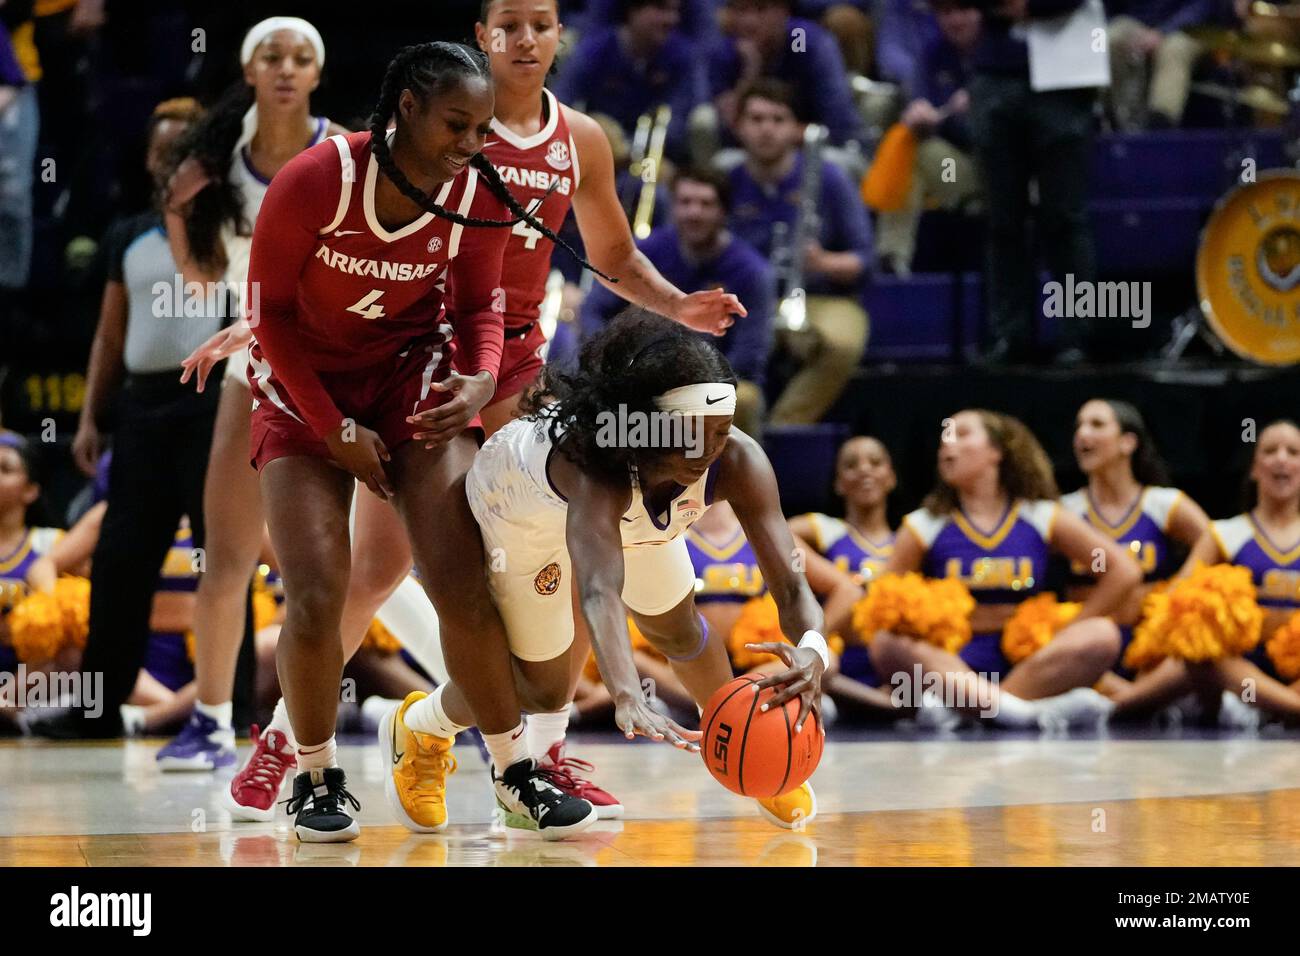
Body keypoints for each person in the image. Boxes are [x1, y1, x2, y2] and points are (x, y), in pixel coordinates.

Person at [235, 40, 601, 842]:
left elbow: (479, 312)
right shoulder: (318, 178)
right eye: (458, 125)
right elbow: (270, 317)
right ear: (407, 108)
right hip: (305, 392)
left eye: (482, 128)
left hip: (412, 381)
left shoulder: (478, 186)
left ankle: (515, 774)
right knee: (318, 591)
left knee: (460, 578)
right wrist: (331, 427)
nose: (474, 142)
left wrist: (478, 378)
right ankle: (316, 777)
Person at [387, 311, 830, 831]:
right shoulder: (598, 462)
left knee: (678, 625)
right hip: (521, 510)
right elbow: (599, 589)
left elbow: (790, 581)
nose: (709, 449)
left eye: (721, 431)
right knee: (538, 689)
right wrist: (624, 689)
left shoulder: (737, 460)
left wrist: (813, 649)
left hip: (621, 516)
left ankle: (742, 746)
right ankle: (420, 727)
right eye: (694, 434)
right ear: (652, 423)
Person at [152, 16, 347, 772]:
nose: (288, 68)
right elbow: (205, 285)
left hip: (343, 363)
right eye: (273, 56)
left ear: (318, 74)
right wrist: (177, 206)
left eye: (302, 57)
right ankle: (209, 720)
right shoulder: (217, 168)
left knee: (374, 559)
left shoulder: (344, 151)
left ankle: (459, 704)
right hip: (253, 364)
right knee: (225, 551)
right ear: (250, 70)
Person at [30, 98, 223, 741]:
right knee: (119, 559)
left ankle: (231, 710)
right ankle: (96, 710)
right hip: (141, 408)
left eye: (186, 147)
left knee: (220, 554)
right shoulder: (127, 233)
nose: (172, 158)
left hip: (213, 402)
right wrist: (90, 417)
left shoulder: (231, 226)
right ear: (148, 158)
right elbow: (109, 339)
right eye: (162, 148)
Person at [869, 409, 1141, 727]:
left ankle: (974, 711)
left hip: (1031, 659)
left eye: (962, 434)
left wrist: (1068, 628)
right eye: (944, 439)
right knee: (886, 640)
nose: (946, 446)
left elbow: (1123, 570)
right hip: (954, 664)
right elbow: (879, 603)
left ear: (996, 452)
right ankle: (1019, 714)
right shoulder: (924, 524)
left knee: (1102, 635)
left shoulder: (1040, 515)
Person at [1114, 420, 1300, 726]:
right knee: (1197, 653)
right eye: (1269, 451)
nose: (1281, 459)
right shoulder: (1225, 534)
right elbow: (1174, 603)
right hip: (1235, 667)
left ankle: (1264, 708)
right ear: (1254, 469)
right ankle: (1273, 710)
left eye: (1293, 452)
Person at [580, 166, 774, 436]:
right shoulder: (644, 252)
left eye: (706, 204)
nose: (694, 213)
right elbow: (593, 311)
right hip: (639, 375)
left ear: (724, 211)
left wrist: (686, 384)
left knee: (746, 399)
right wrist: (613, 363)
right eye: (685, 202)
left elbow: (747, 358)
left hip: (716, 381)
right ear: (672, 207)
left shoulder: (752, 271)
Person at [727, 79, 872, 425]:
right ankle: (734, 429)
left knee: (842, 343)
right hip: (745, 301)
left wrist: (824, 262)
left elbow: (864, 258)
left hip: (818, 297)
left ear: (795, 128)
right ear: (739, 127)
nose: (767, 130)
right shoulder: (726, 180)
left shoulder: (829, 179)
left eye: (778, 120)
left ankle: (783, 428)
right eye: (757, 119)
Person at [967, 0, 1099, 365]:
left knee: (1065, 217)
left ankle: (1077, 334)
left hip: (1066, 73)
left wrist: (1032, 4)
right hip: (997, 70)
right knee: (1002, 219)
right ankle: (1010, 335)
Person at [1060, 399, 1210, 691]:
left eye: (1097, 424)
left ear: (1128, 442)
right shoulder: (1065, 511)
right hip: (1088, 648)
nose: (1082, 434)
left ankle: (1131, 697)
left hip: (1152, 647)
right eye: (1078, 426)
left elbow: (1218, 544)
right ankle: (1134, 700)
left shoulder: (1162, 503)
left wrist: (1176, 593)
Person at [874, 0, 982, 275]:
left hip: (1005, 173)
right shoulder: (933, 53)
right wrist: (922, 118)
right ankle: (892, 259)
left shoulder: (1001, 51)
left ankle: (893, 251)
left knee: (922, 151)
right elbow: (924, 105)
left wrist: (980, 109)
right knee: (911, 145)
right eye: (946, 12)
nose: (955, 20)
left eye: (964, 9)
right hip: (955, 170)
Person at [789, 434, 896, 687]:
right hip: (836, 656)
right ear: (838, 483)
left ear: (891, 477)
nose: (864, 470)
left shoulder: (909, 540)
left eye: (875, 462)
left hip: (891, 665)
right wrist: (839, 583)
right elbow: (774, 533)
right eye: (851, 465)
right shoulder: (827, 530)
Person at [552, 0, 707, 165]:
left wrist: (629, 147)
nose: (671, 19)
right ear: (633, 11)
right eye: (661, 9)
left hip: (654, 158)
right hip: (597, 151)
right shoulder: (596, 51)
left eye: (675, 11)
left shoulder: (682, 57)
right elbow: (560, 104)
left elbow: (677, 122)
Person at [708, 0, 865, 149]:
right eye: (740, 10)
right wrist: (750, 74)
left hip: (812, 145)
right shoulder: (725, 49)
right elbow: (727, 128)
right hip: (752, 152)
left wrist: (781, 132)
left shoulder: (802, 39)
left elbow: (840, 126)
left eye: (761, 9)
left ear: (784, 11)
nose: (749, 21)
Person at [1107, 0, 1216, 130]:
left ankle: (1160, 124)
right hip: (1137, 22)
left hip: (1191, 29)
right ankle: (1118, 120)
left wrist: (1163, 31)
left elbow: (1201, 7)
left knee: (1174, 49)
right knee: (1112, 38)